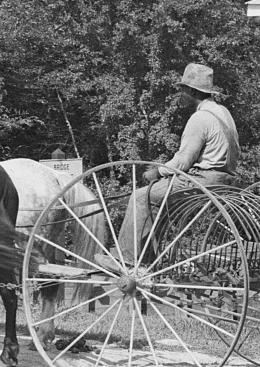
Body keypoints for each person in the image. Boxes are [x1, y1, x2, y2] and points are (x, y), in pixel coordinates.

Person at [100, 62, 241, 269]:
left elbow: (183, 160)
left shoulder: (200, 118)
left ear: (193, 91)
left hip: (202, 181)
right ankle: (148, 258)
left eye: (182, 90)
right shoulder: (223, 113)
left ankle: (127, 260)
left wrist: (157, 171)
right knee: (158, 200)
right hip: (226, 180)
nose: (180, 94)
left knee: (140, 197)